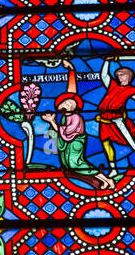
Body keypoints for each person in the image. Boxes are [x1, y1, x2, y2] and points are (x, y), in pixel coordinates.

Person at [44, 61, 115, 190]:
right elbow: (72, 92)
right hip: (70, 144)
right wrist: (71, 71)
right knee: (71, 165)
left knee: (77, 164)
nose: (68, 104)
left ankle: (107, 179)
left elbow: (65, 133)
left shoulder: (76, 117)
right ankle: (104, 181)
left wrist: (52, 122)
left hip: (76, 144)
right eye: (65, 104)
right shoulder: (67, 117)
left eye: (70, 103)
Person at [96, 61, 135, 176]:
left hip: (121, 122)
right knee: (106, 144)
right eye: (118, 74)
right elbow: (104, 75)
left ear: (129, 76)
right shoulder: (112, 85)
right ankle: (113, 169)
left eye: (121, 74)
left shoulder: (132, 90)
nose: (118, 76)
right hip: (105, 122)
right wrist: (107, 61)